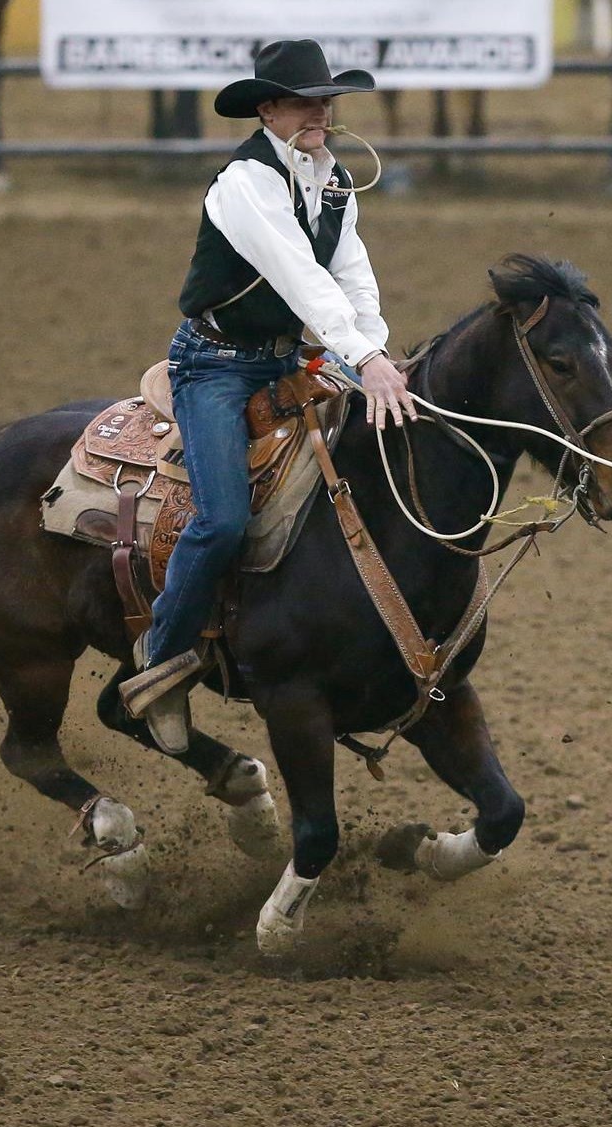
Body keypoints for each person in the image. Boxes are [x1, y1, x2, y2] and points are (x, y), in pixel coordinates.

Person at [120, 39, 418, 754]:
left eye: (325, 101)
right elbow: (300, 277)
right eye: (304, 101)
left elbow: (353, 279)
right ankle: (160, 655)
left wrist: (371, 351)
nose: (320, 111)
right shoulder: (246, 183)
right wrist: (365, 356)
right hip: (215, 366)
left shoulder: (334, 181)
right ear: (269, 110)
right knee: (222, 519)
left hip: (291, 358)